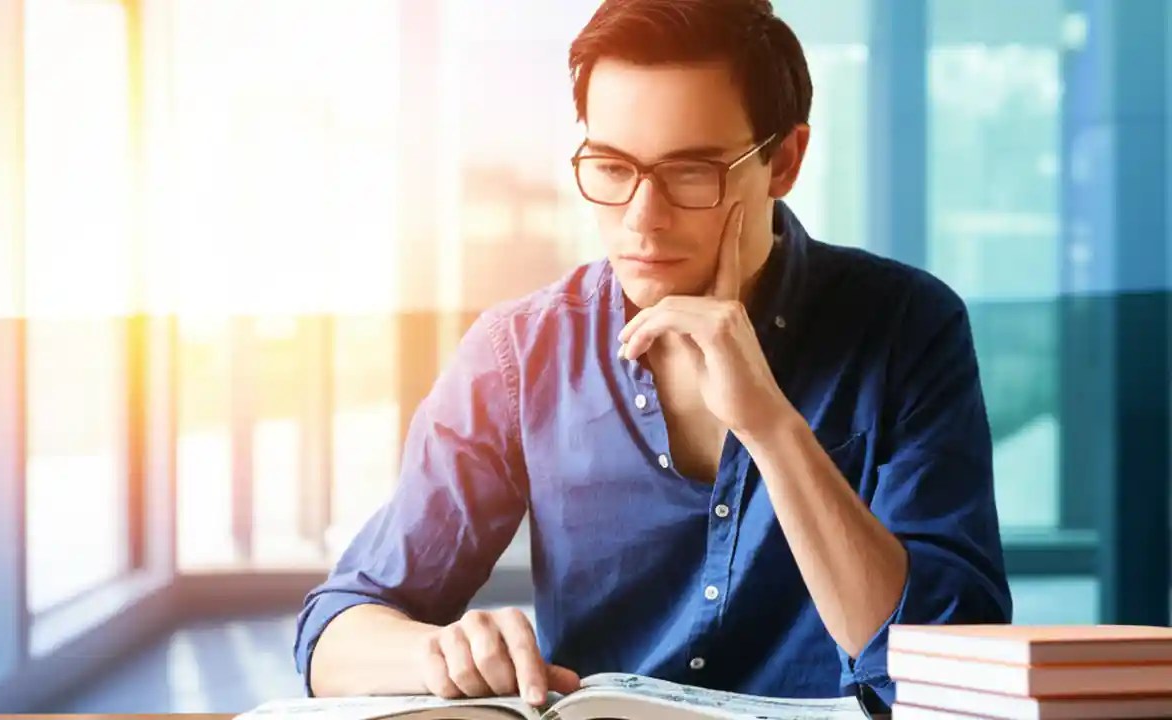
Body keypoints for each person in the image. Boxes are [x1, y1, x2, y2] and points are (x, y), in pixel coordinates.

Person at [293, 0, 1012, 709]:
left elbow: (950, 657)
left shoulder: (906, 327)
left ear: (785, 160)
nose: (642, 218)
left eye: (691, 172)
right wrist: (438, 652)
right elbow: (334, 633)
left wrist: (770, 426)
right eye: (610, 167)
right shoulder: (521, 353)